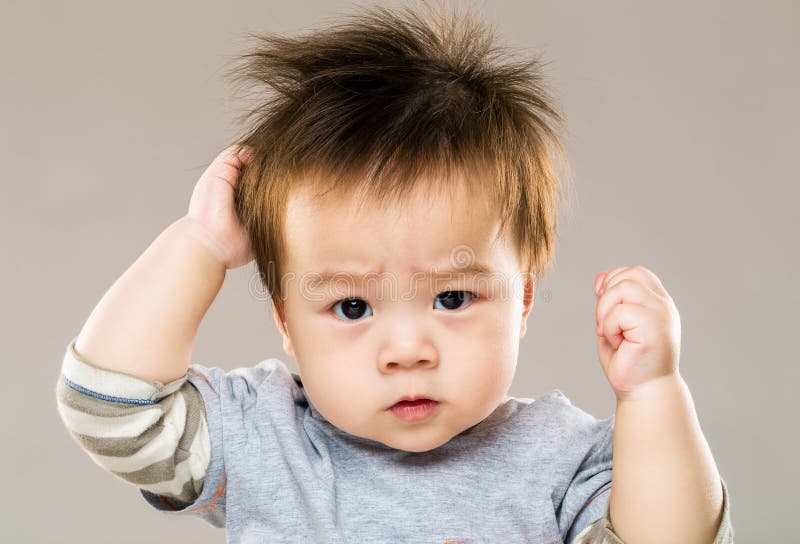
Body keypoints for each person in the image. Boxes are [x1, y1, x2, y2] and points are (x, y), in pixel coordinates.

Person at [54, 3, 733, 542]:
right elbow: (109, 408)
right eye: (352, 308)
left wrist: (652, 396)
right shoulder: (265, 438)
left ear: (522, 298)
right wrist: (199, 245)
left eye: (453, 296)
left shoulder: (556, 459)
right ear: (287, 322)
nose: (408, 350)